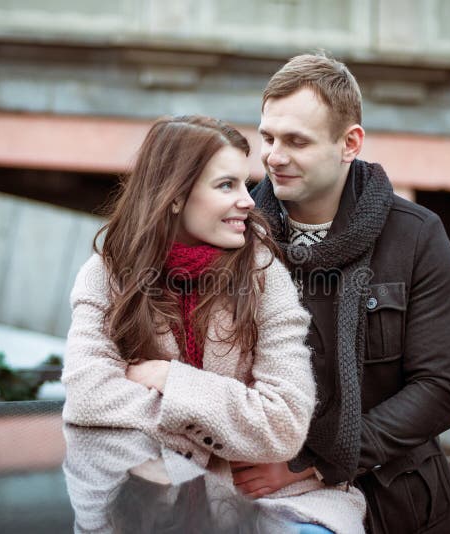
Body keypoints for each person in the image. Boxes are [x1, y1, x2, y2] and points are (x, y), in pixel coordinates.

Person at [61, 115, 366, 533]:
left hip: (268, 502)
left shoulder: (264, 273)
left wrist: (170, 379)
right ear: (174, 196)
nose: (248, 201)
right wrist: (227, 423)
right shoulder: (107, 274)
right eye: (226, 185)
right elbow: (87, 396)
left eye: (245, 183)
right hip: (144, 502)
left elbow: (284, 424)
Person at [233, 54, 450, 533]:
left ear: (350, 143)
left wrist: (311, 462)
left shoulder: (417, 236)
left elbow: (438, 391)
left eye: (297, 141)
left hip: (395, 503)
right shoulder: (237, 235)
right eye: (268, 138)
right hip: (258, 499)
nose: (274, 156)